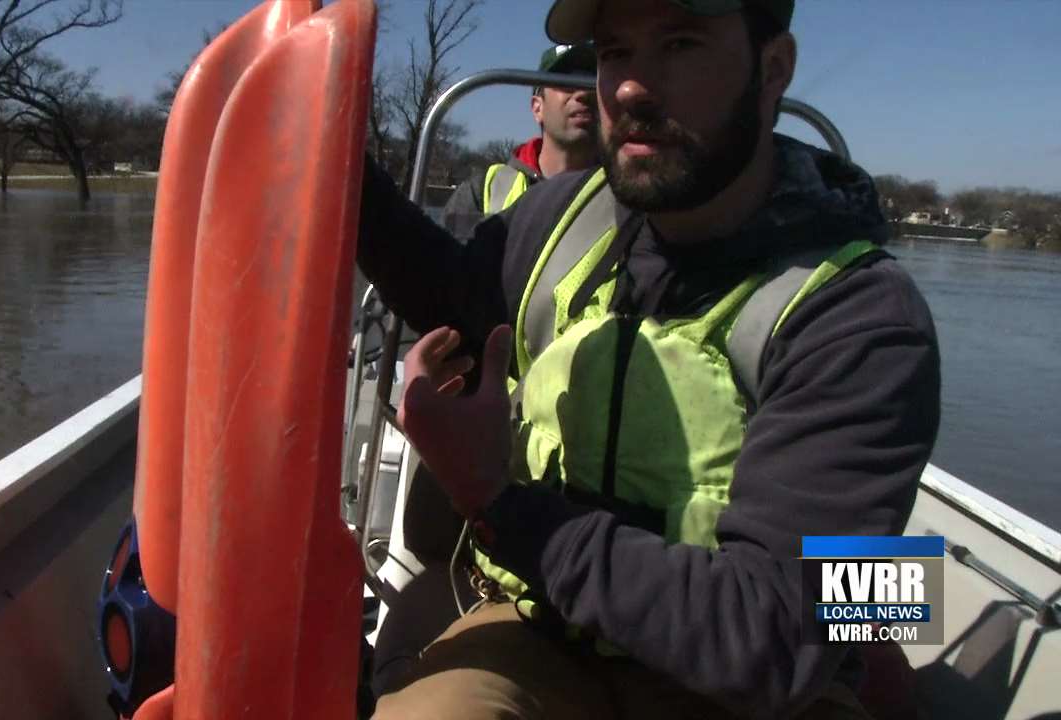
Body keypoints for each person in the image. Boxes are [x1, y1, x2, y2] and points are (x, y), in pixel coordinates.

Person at [356, 0, 941, 717]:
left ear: (773, 68)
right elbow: (445, 286)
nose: (630, 86)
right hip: (540, 627)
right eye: (613, 51)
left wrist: (496, 501)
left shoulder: (862, 318)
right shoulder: (562, 218)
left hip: (740, 687)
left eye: (682, 42)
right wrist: (337, 163)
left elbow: (770, 643)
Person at [441, 43, 599, 237]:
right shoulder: (482, 194)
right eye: (565, 82)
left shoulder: (627, 195)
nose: (584, 93)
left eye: (592, 82)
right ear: (537, 108)